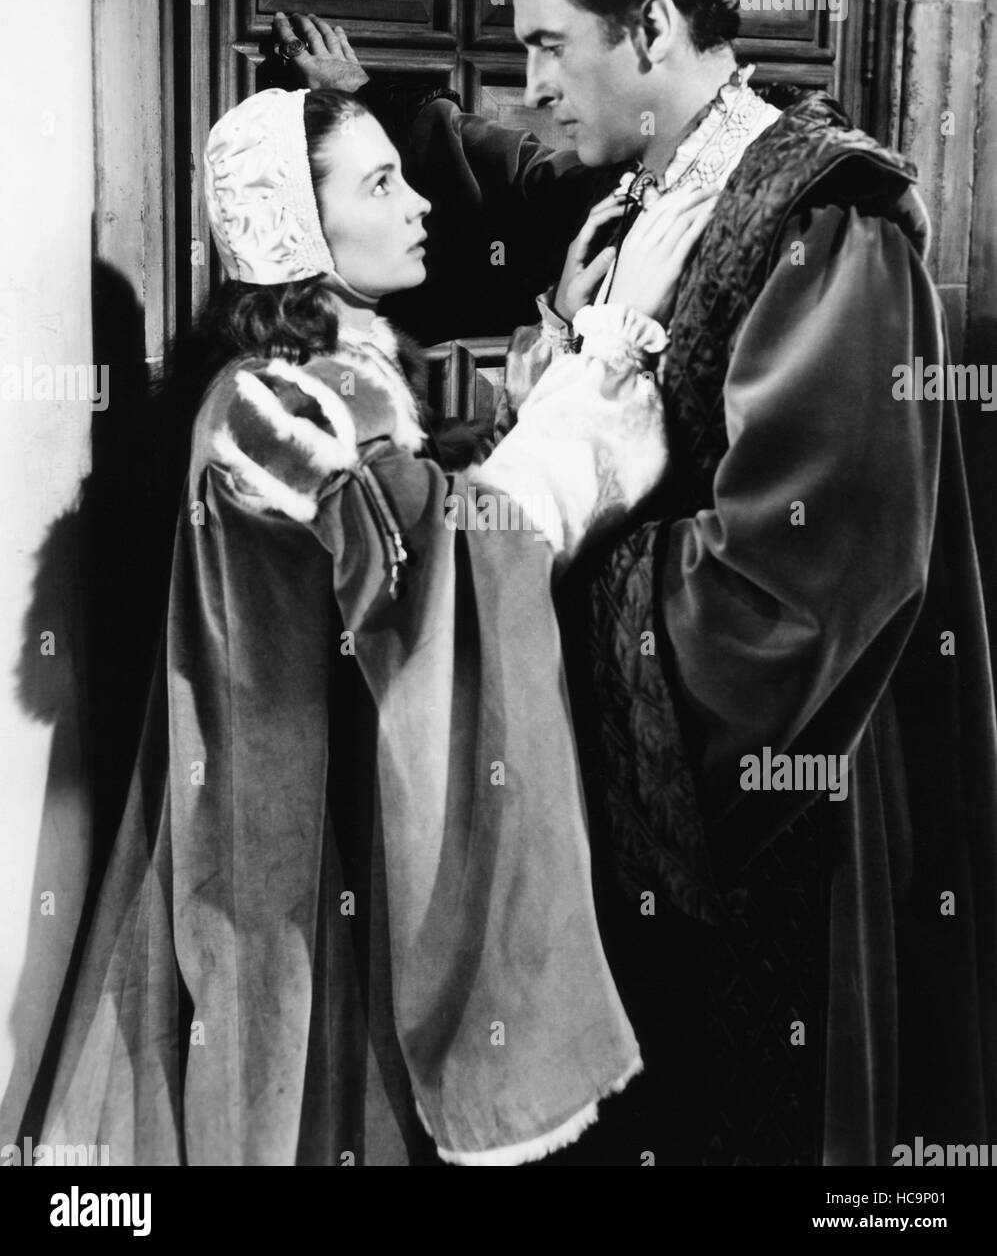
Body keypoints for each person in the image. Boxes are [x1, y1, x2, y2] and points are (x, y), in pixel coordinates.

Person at [283, 0, 997, 1166]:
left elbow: (792, 601)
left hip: (769, 832)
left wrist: (535, 568)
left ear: (653, 28)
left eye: (550, 46)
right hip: (635, 833)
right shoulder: (633, 196)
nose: (533, 85)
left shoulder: (823, 229)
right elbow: (497, 185)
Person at [28, 83, 719, 1167]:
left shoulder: (313, 382)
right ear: (304, 230)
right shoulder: (275, 407)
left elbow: (423, 494)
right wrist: (610, 357)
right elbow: (447, 558)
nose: (421, 208)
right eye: (381, 183)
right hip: (302, 842)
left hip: (333, 804)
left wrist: (558, 338)